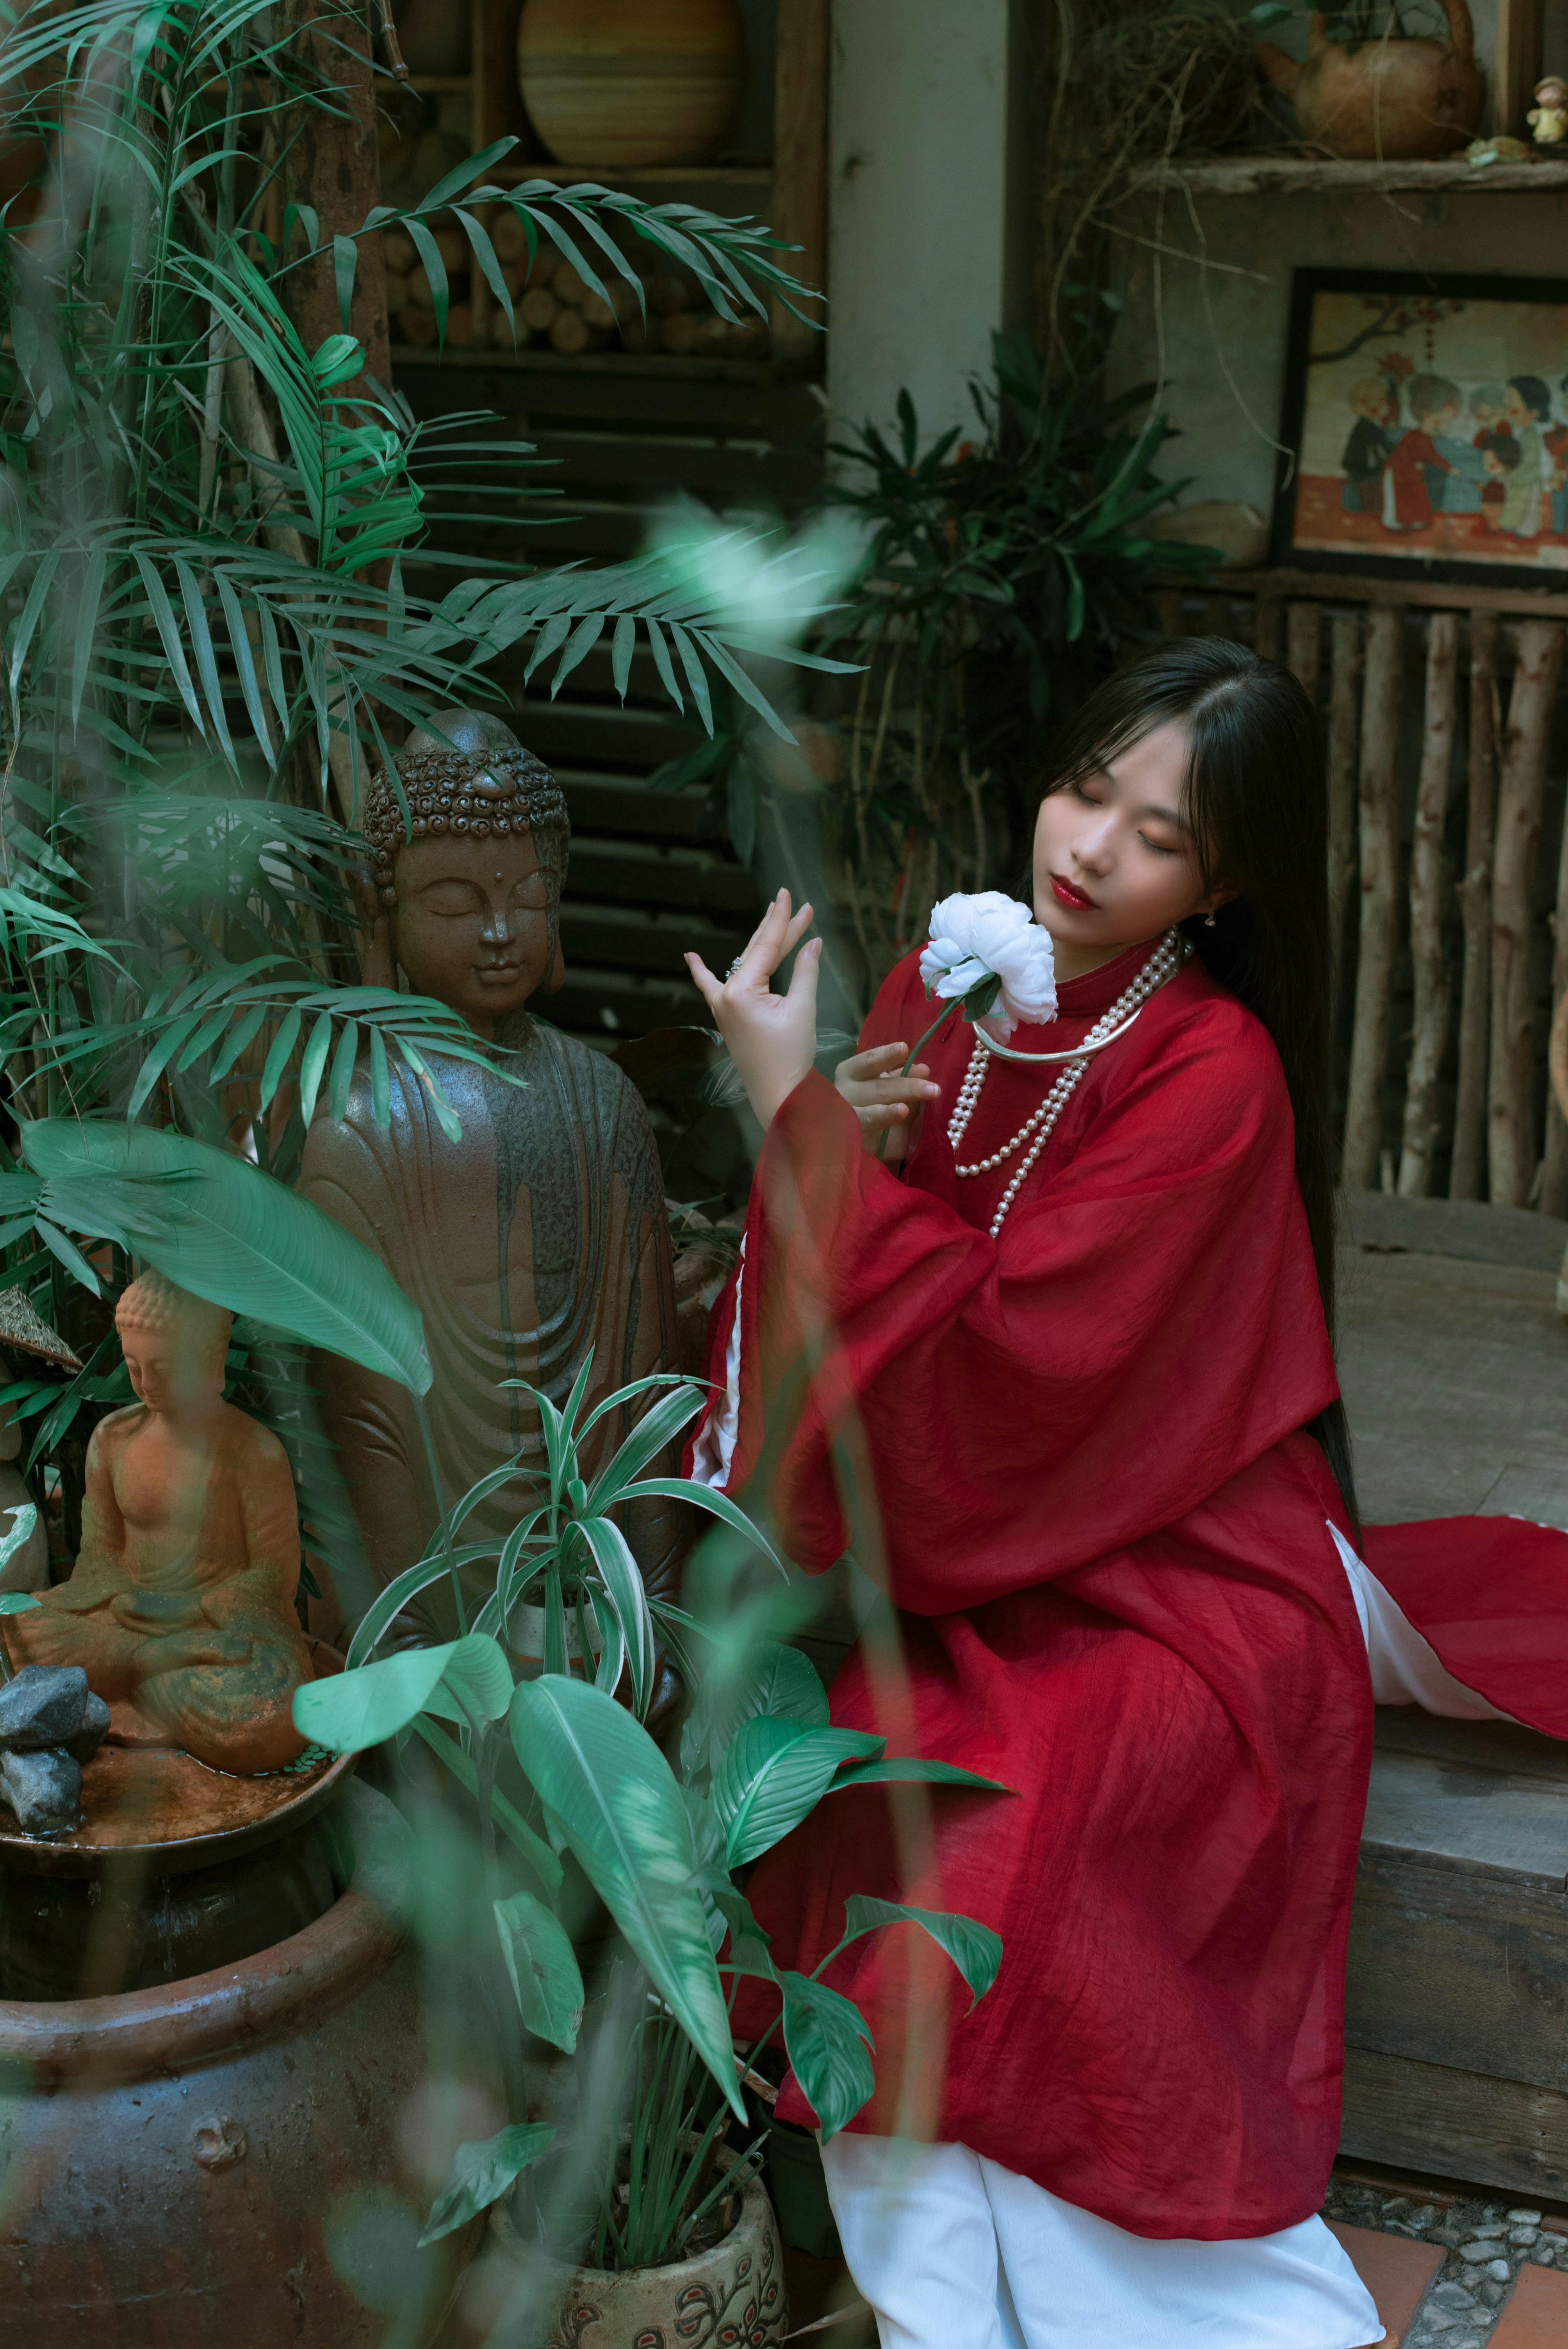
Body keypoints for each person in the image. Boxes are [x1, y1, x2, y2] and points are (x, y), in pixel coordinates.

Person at [682, 639, 1568, 2348]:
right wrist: (822, 1141)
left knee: (1031, 1811)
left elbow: (1033, 1375)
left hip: (1173, 1556)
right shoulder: (933, 991)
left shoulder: (1208, 1067)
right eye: (1084, 786)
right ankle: (942, 2296)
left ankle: (1140, 2299)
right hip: (944, 1553)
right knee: (853, 1778)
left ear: (1218, 880)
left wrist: (795, 1117)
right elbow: (839, 1339)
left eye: (1151, 832)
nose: (1083, 846)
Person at [298, 711, 686, 1653]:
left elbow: (641, 1390)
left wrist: (656, 1614)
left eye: (525, 895)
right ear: (382, 910)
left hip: (590, 1584)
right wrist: (408, 1648)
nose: (501, 930)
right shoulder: (358, 1128)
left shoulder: (603, 1101)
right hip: (429, 1590)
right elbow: (368, 1430)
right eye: (456, 902)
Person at [2, 1271, 314, 1773]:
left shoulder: (251, 1451)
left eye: (164, 1368)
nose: (145, 1385)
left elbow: (275, 1578)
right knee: (10, 1626)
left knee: (269, 1712)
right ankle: (143, 1666)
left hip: (213, 1631)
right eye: (133, 1365)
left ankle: (114, 1681)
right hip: (124, 1618)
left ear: (210, 1361)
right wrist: (130, 1610)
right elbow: (99, 1556)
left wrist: (188, 1614)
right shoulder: (113, 1438)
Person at [1381, 372, 1458, 530]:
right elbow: (1400, 457)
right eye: (1438, 421)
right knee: (1401, 497)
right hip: (1398, 473)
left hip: (1413, 474)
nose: (1441, 427)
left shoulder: (1427, 439)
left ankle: (1416, 519)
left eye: (1446, 422)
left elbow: (1434, 456)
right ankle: (1395, 521)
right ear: (1425, 414)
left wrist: (1449, 468)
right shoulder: (1411, 436)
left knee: (1418, 496)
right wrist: (1414, 465)